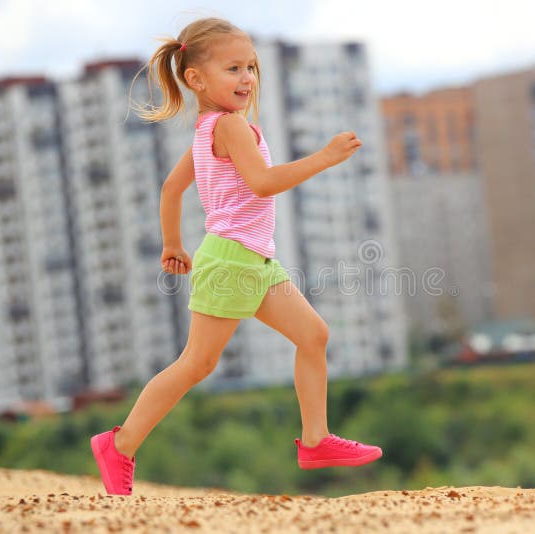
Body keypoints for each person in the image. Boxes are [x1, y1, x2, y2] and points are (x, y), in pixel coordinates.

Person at [90, 17, 382, 496]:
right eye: (233, 68)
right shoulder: (228, 127)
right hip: (231, 261)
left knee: (313, 334)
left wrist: (172, 244)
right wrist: (326, 157)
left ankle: (315, 440)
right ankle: (119, 444)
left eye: (251, 67)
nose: (247, 77)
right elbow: (263, 183)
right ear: (196, 79)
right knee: (196, 364)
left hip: (256, 261)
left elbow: (170, 190)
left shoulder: (210, 128)